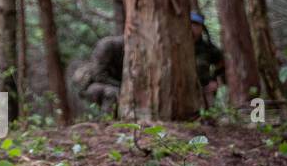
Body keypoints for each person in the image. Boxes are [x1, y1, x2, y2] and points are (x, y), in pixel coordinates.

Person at [71, 12, 227, 115]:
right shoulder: (108, 45)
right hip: (96, 86)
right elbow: (99, 75)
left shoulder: (206, 48)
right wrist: (126, 88)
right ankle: (108, 127)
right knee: (112, 94)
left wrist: (215, 81)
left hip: (199, 89)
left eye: (197, 25)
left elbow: (221, 64)